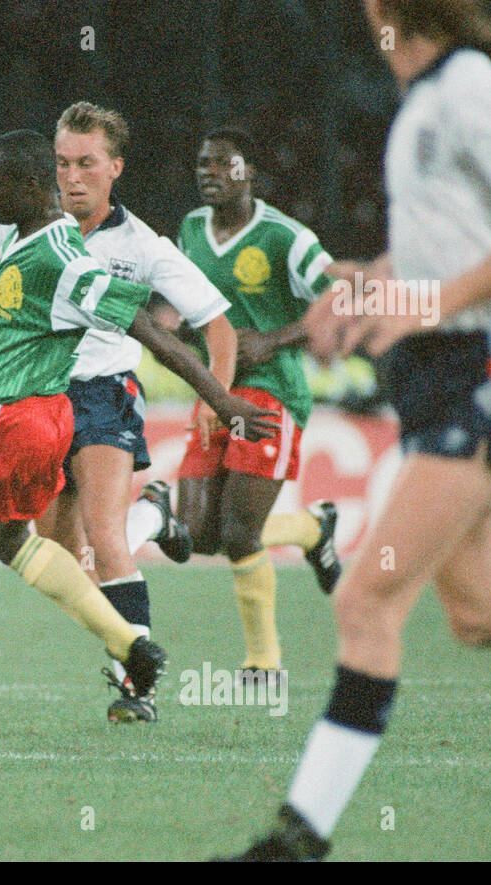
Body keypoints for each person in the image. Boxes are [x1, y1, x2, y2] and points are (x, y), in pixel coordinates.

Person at [226, 0, 491, 860]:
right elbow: (455, 246)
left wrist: (426, 303)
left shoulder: (470, 90)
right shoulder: (424, 105)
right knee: (487, 611)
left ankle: (298, 839)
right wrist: (370, 285)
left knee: (366, 597)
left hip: (484, 373)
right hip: (441, 377)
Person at [0, 129, 278, 737]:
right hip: (40, 418)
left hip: (9, 418)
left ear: (32, 188)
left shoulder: (64, 259)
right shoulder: (24, 240)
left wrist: (220, 397)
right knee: (10, 541)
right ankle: (131, 646)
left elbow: (146, 329)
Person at [159, 127, 345, 680]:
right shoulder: (190, 230)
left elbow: (342, 294)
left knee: (240, 534)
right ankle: (313, 531)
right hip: (216, 389)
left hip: (271, 392)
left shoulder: (285, 237)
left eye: (222, 163)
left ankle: (264, 663)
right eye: (202, 162)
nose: (208, 171)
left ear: (249, 172)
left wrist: (276, 338)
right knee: (196, 536)